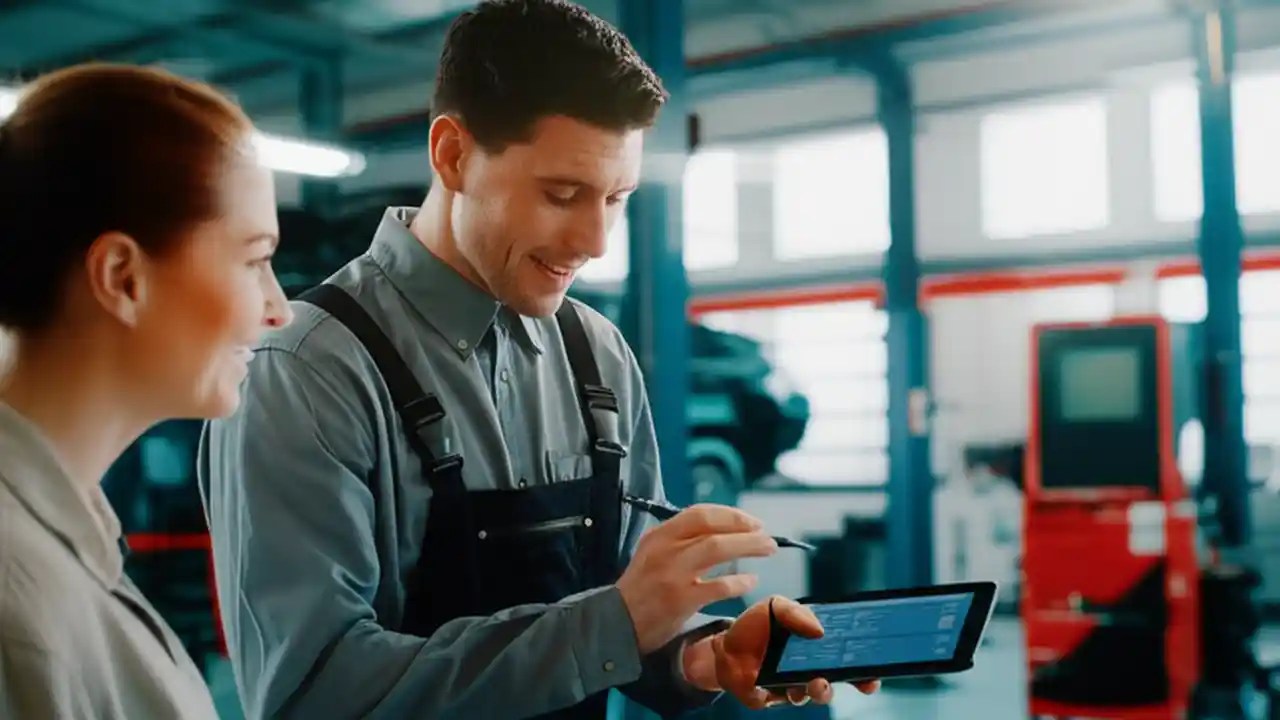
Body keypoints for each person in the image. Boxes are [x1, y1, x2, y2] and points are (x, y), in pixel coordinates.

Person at [199, 1, 877, 718]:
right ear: (452, 155)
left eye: (616, 199)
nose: (595, 240)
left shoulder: (599, 356)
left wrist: (702, 653)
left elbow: (627, 623)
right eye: (563, 194)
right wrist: (611, 622)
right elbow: (314, 693)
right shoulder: (304, 372)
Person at [0, 63, 293, 718]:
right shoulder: (18, 607)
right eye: (254, 261)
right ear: (122, 277)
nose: (279, 309)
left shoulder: (60, 544)